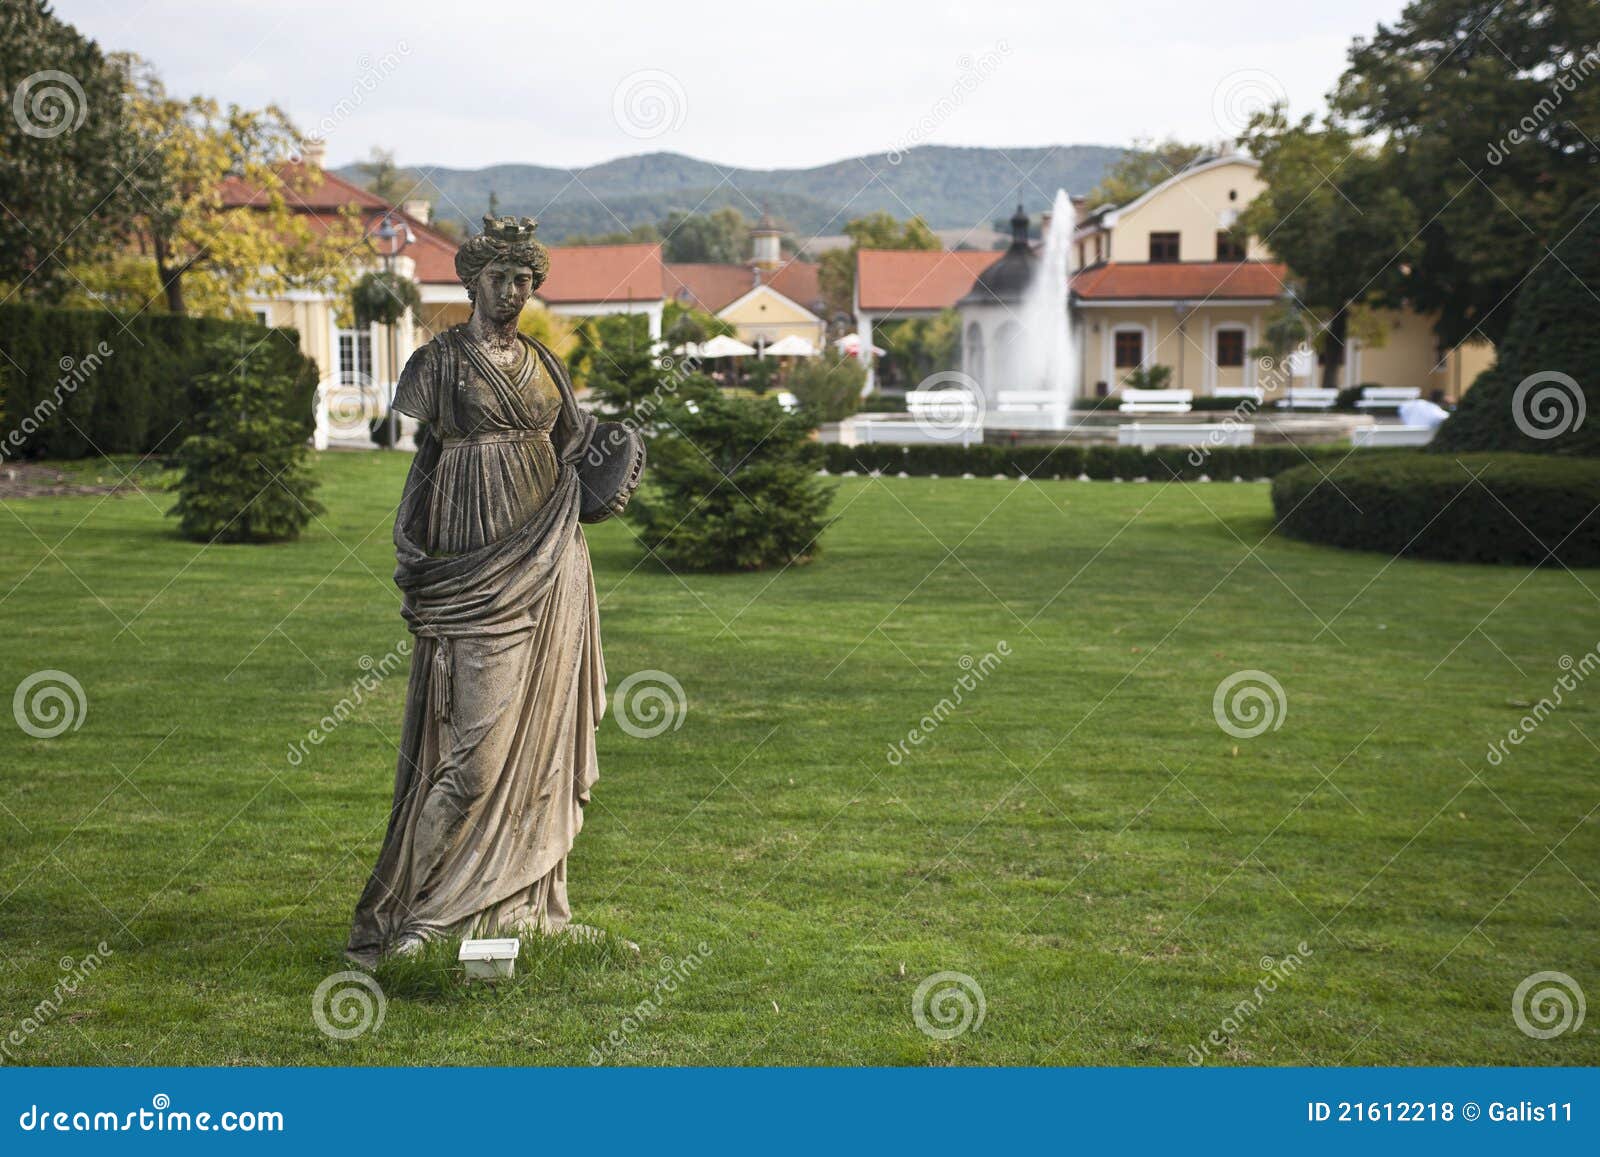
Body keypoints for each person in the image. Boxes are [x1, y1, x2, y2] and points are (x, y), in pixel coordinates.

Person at [346, 216, 608, 965]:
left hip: (553, 564)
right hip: (475, 572)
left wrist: (607, 480)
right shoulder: (440, 364)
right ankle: (420, 912)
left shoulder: (545, 365)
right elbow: (424, 463)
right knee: (474, 758)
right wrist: (419, 552)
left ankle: (521, 904)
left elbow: (578, 459)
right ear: (471, 282)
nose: (515, 289)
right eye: (501, 277)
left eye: (526, 278)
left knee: (544, 739)